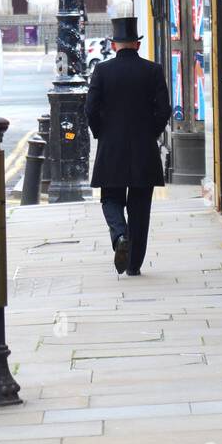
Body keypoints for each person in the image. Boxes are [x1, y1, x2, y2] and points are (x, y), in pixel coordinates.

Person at [86, 17, 171, 277]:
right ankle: (134, 264)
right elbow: (164, 110)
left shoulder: (102, 70)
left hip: (111, 148)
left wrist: (102, 133)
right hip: (144, 150)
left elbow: (90, 109)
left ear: (114, 45)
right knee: (140, 208)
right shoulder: (153, 70)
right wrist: (151, 133)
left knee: (110, 198)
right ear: (136, 44)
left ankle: (120, 235)